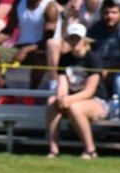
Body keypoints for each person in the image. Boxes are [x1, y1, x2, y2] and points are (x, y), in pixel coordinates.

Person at [45, 22, 109, 159]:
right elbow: (62, 83)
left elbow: (90, 91)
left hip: (96, 101)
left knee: (75, 107)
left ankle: (90, 150)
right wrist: (61, 97)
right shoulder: (65, 58)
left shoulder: (93, 58)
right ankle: (53, 149)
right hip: (73, 99)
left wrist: (69, 99)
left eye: (77, 38)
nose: (74, 42)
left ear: (84, 40)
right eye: (72, 38)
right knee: (52, 101)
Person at [85, 0, 120, 119]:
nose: (109, 16)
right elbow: (88, 52)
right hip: (99, 72)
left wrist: (109, 72)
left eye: (114, 12)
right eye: (106, 12)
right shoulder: (95, 29)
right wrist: (98, 72)